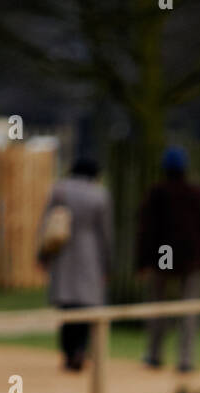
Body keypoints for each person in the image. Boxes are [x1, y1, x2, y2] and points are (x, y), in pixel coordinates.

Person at [135, 147, 200, 371]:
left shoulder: (156, 192)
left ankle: (154, 354)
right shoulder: (195, 192)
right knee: (189, 310)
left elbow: (146, 229)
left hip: (162, 257)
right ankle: (186, 360)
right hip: (192, 258)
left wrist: (142, 262)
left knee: (157, 308)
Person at [38, 156, 113, 372]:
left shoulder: (59, 190)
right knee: (86, 307)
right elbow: (106, 234)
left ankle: (68, 353)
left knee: (67, 307)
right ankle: (81, 350)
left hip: (63, 252)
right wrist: (108, 264)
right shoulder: (100, 195)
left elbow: (47, 224)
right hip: (90, 254)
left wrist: (42, 256)